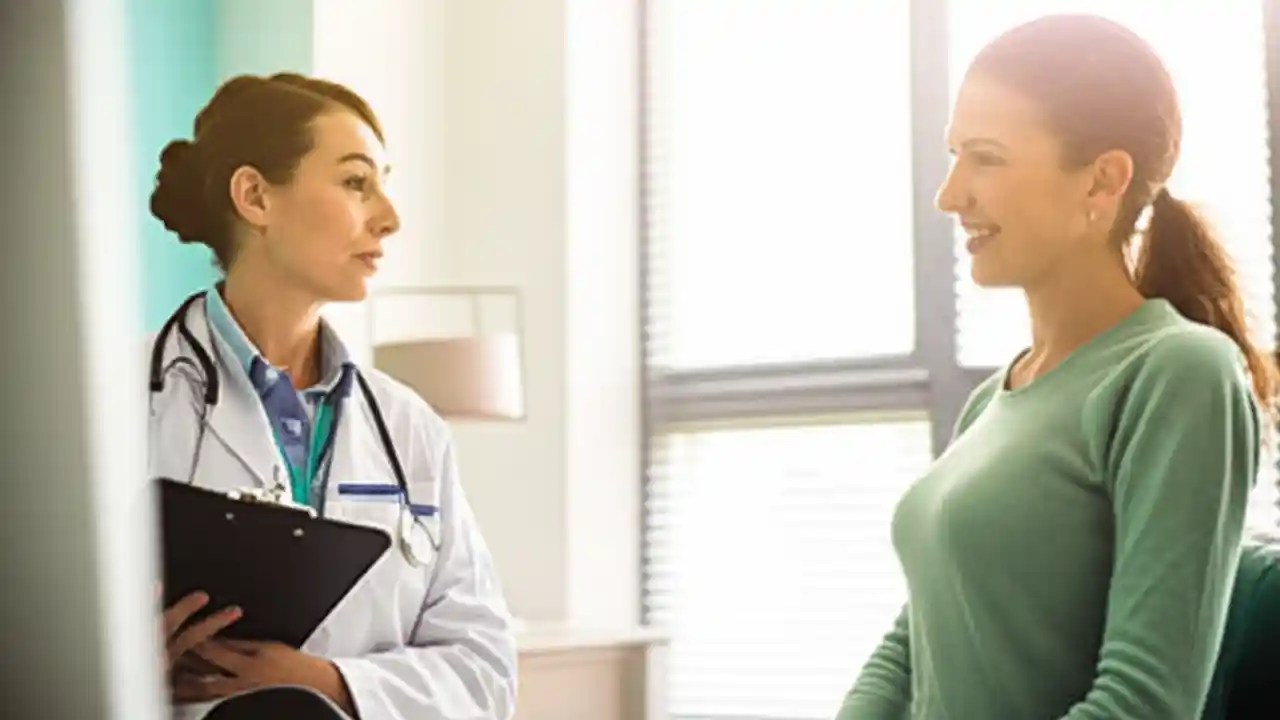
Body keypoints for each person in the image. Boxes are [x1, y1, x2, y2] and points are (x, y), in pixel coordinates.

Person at [837, 14, 1277, 720]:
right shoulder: (992, 401)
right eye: (953, 155)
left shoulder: (1180, 374)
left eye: (985, 157)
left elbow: (1143, 704)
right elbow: (911, 644)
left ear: (1103, 180)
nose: (950, 195)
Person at [147, 73, 517, 719]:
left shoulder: (408, 428)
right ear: (255, 196)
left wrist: (327, 681)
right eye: (356, 182)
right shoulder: (115, 407)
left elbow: (485, 671)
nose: (390, 216)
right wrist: (117, 666)